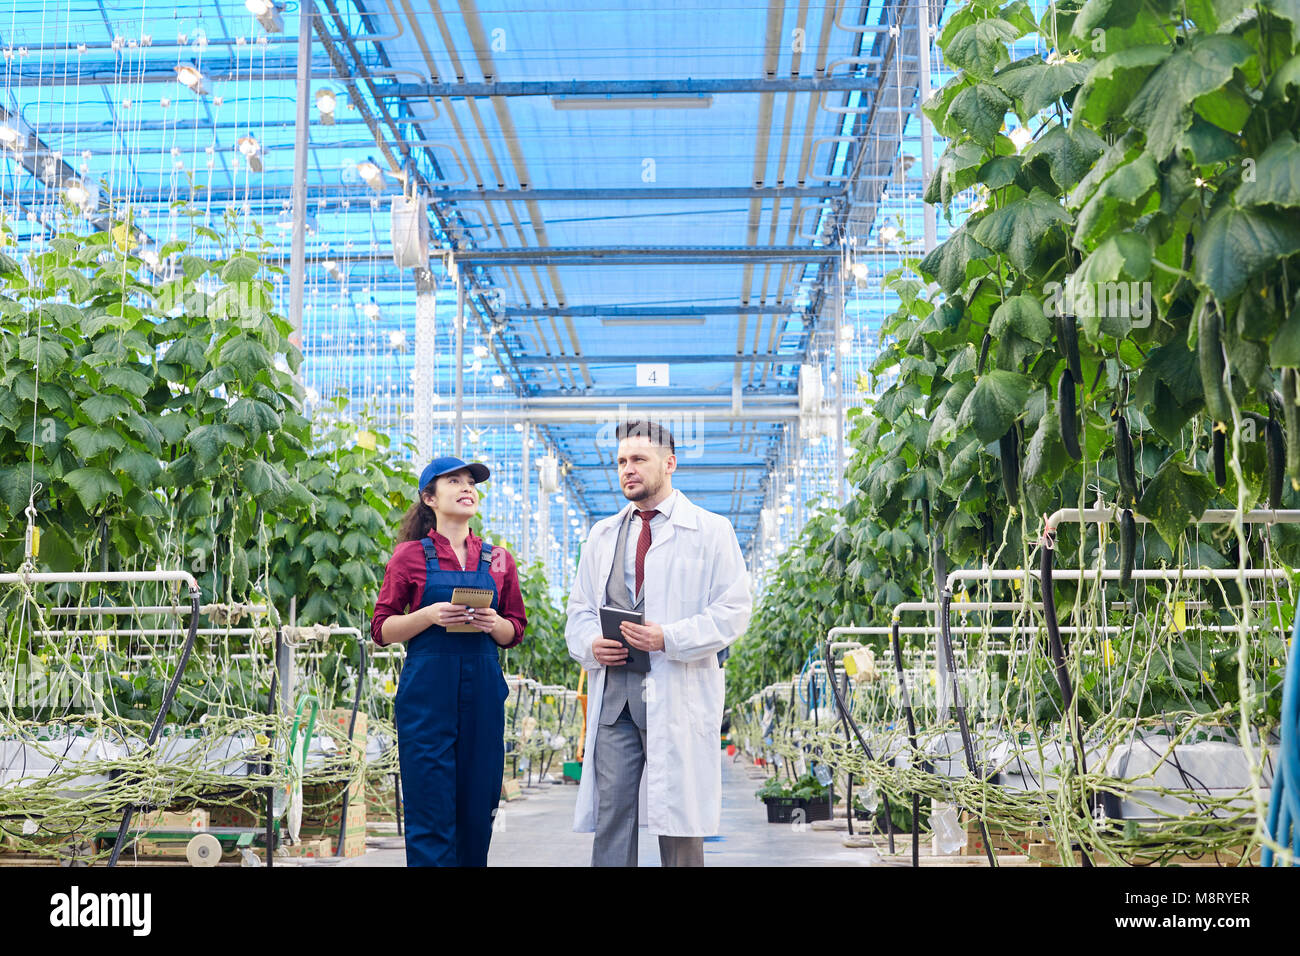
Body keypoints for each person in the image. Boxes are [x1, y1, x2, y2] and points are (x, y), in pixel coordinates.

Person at [566, 421, 752, 866]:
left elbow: (733, 610)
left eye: (639, 460)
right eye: (621, 462)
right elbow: (578, 612)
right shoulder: (603, 535)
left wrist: (668, 638)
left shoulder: (710, 530)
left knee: (680, 822)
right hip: (615, 701)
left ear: (670, 463)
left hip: (678, 692)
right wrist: (592, 644)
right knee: (613, 817)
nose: (628, 470)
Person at [371, 455, 527, 867]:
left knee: (479, 811)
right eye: (454, 481)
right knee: (429, 809)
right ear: (429, 498)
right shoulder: (409, 556)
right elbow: (382, 629)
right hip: (427, 697)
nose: (467, 488)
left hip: (482, 696)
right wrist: (428, 616)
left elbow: (515, 631)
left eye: (472, 483)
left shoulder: (498, 559)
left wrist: (494, 623)